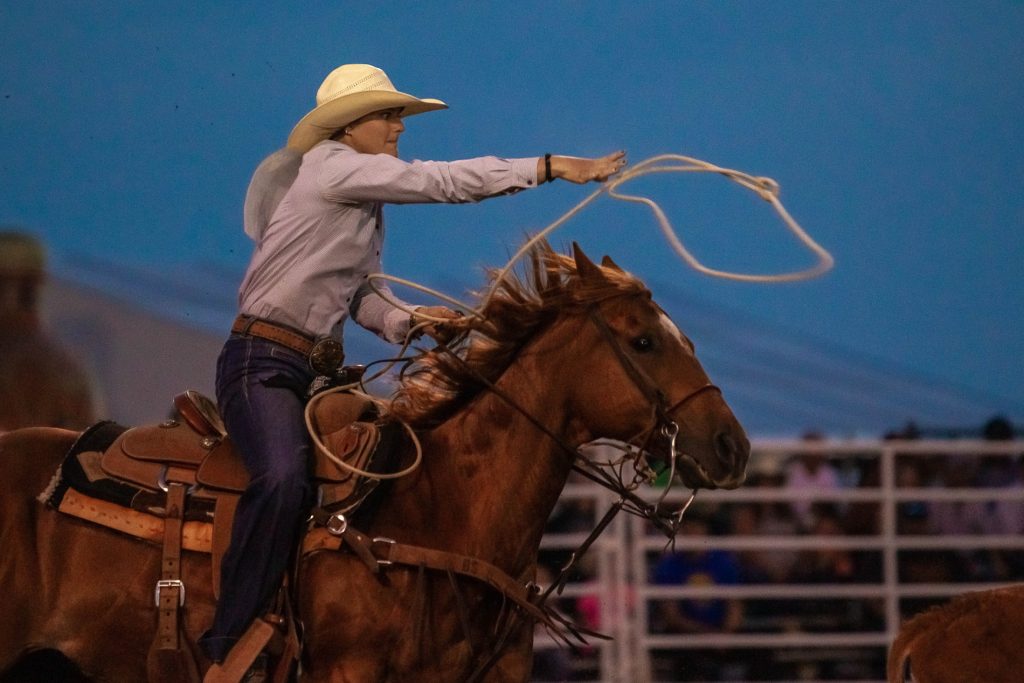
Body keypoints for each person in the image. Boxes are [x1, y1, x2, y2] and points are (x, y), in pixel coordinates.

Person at [199, 63, 627, 664]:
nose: (400, 127)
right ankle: (228, 641)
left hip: (314, 373)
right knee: (282, 479)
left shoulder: (356, 197)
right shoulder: (334, 167)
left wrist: (414, 321)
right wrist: (549, 167)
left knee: (386, 476)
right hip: (263, 364)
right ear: (349, 126)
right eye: (388, 115)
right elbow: (441, 182)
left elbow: (361, 296)